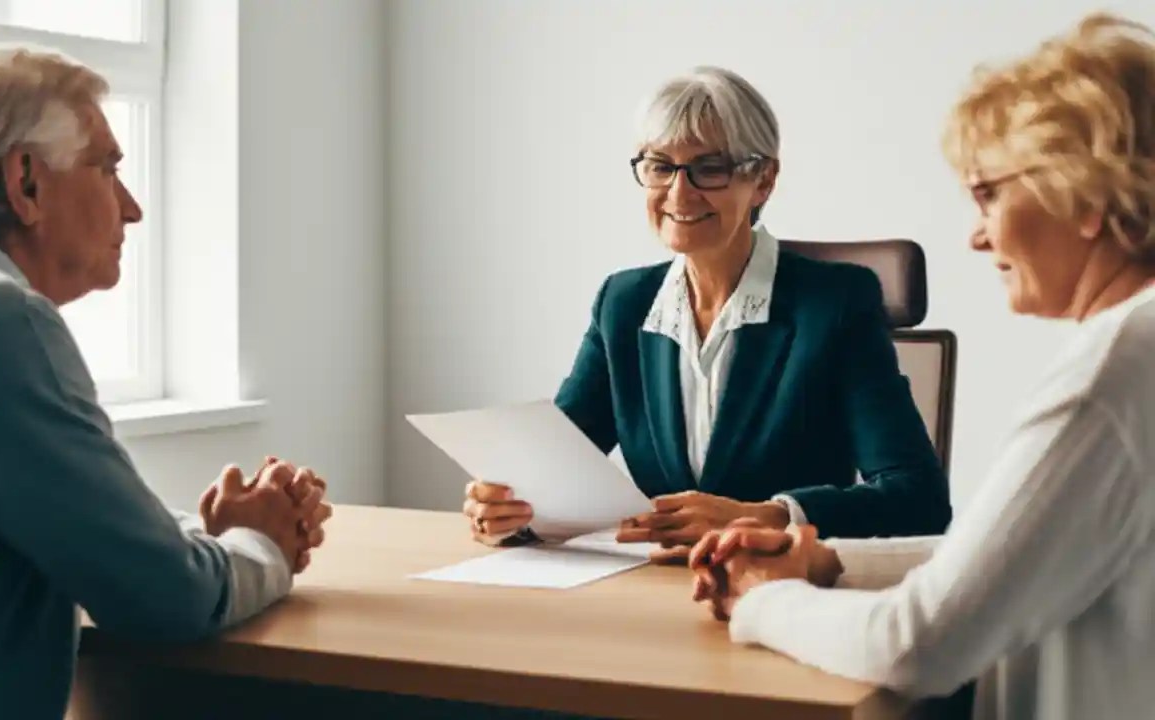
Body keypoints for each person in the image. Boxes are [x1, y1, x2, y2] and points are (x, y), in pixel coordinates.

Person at [691, 13, 1155, 720]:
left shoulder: (1111, 377)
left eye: (988, 193)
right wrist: (828, 562)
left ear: (1086, 194)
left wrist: (762, 599)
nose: (976, 236)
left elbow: (918, 644)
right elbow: (1013, 560)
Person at [0, 44, 332, 718]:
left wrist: (199, 535)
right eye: (109, 168)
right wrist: (264, 544)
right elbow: (166, 599)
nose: (133, 208)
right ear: (26, 183)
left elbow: (29, 515)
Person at [464, 66, 950, 560]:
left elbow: (919, 499)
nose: (680, 193)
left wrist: (768, 516)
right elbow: (553, 472)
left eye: (710, 168)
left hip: (780, 587)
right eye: (660, 166)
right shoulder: (624, 304)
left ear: (763, 180)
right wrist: (509, 511)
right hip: (659, 586)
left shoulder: (836, 304)